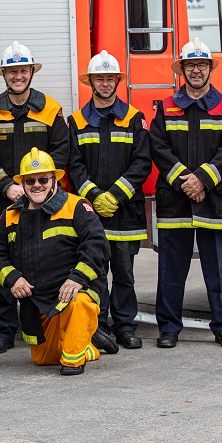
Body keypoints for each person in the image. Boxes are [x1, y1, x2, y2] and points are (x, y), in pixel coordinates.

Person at [0, 41, 69, 356]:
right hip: (2, 202)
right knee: (2, 264)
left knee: (40, 262)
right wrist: (6, 186)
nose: (18, 76)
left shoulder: (51, 109)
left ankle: (38, 324)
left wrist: (34, 188)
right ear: (5, 74)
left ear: (31, 72)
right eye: (12, 71)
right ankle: (3, 333)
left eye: (23, 70)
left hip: (40, 202)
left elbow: (61, 153)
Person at [150, 37, 222, 349]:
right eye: (191, 65)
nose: (197, 70)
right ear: (182, 70)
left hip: (213, 198)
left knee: (218, 270)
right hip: (176, 199)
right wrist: (185, 181)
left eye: (202, 65)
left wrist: (201, 180)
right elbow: (158, 148)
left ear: (209, 69)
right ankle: (169, 329)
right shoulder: (165, 108)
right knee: (171, 271)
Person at [0, 148, 110, 376]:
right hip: (39, 302)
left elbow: (97, 245)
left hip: (74, 292)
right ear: (22, 184)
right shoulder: (10, 214)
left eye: (43, 179)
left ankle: (75, 360)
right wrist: (13, 278)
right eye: (30, 180)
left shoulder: (76, 206)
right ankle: (88, 344)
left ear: (55, 180)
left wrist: (78, 278)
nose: (37, 185)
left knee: (80, 303)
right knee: (43, 359)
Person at [67, 50, 151, 352]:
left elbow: (142, 162)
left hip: (124, 211)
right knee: (95, 272)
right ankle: (98, 326)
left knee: (125, 273)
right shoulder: (75, 121)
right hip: (92, 214)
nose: (105, 83)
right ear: (90, 81)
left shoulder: (134, 118)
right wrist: (93, 195)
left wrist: (114, 195)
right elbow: (73, 165)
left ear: (118, 80)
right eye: (99, 78)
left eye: (110, 78)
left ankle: (125, 327)